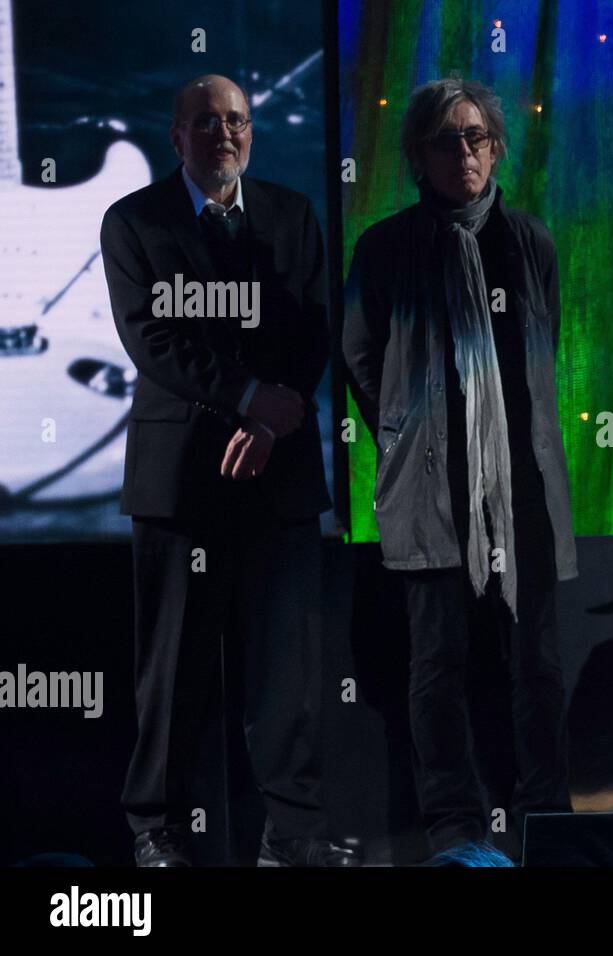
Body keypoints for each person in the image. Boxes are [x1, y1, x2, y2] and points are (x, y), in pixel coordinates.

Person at [101, 74, 356, 866]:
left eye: (238, 121)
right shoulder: (133, 222)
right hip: (180, 479)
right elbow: (153, 341)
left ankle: (295, 838)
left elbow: (317, 325)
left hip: (274, 477)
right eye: (207, 122)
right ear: (176, 135)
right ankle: (158, 831)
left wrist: (273, 420)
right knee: (172, 671)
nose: (225, 135)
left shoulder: (291, 214)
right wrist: (248, 399)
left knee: (287, 675)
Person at [343, 77, 577, 862]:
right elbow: (360, 357)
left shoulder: (530, 241)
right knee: (436, 667)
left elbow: (543, 358)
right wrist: (413, 432)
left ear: (497, 146)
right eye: (448, 139)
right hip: (430, 491)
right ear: (419, 154)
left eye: (477, 136)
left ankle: (546, 818)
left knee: (535, 664)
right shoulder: (385, 248)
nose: (466, 152)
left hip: (525, 494)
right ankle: (454, 829)